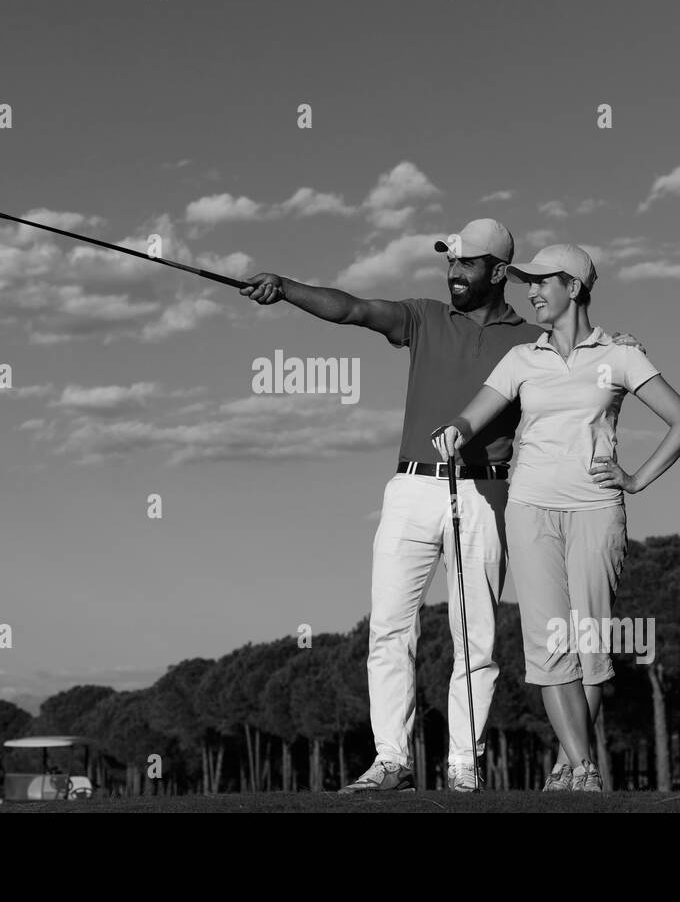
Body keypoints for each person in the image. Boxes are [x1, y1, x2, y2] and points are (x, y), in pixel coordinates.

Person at [240, 223, 643, 792]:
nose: (453, 273)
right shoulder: (422, 317)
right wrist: (284, 288)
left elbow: (587, 354)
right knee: (388, 628)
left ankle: (463, 766)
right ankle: (391, 761)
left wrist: (620, 348)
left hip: (488, 493)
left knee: (474, 637)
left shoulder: (532, 340)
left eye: (467, 264)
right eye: (450, 263)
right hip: (410, 489)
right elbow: (352, 309)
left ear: (499, 272)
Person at [432, 244, 680, 792]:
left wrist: (635, 479)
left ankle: (568, 764)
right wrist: (456, 430)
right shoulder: (521, 360)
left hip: (598, 511)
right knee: (549, 644)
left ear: (573, 287)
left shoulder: (621, 356)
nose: (529, 291)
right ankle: (583, 768)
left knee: (591, 644)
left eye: (540, 282)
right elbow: (475, 413)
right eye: (526, 282)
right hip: (529, 509)